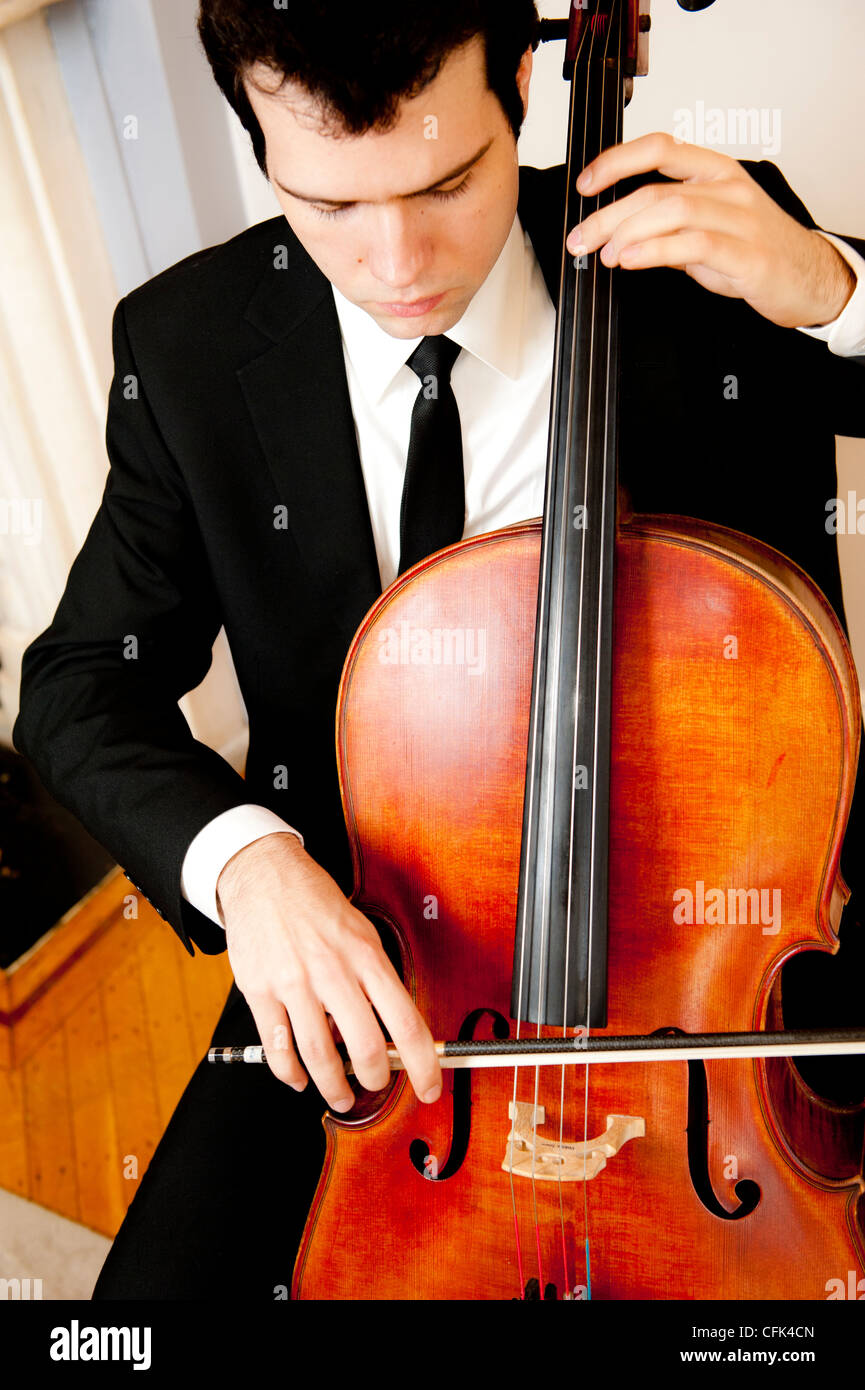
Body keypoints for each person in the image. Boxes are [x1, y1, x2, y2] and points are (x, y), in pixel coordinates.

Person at [13, 0, 865, 1299]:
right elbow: (78, 687)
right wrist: (247, 869)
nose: (397, 256)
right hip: (386, 976)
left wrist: (832, 291)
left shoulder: (706, 243)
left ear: (521, 82)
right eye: (329, 205)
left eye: (447, 182)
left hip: (717, 975)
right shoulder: (184, 346)